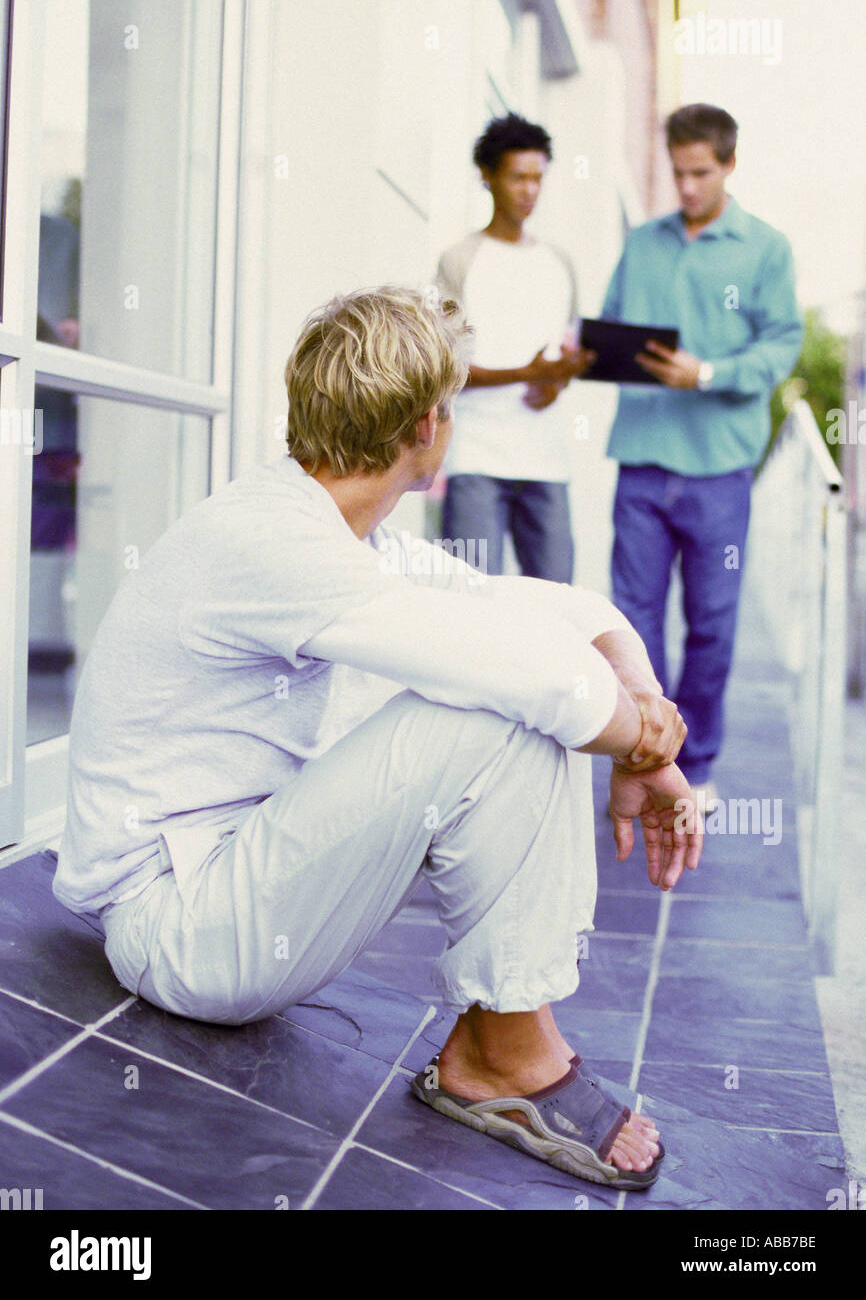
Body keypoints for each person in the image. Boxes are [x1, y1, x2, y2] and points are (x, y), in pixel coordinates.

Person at [53, 287, 701, 1190]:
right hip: (181, 929)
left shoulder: (334, 531)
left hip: (231, 882)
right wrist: (643, 744)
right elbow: (535, 674)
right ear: (431, 426)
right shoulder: (274, 543)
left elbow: (545, 611)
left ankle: (497, 1043)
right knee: (492, 702)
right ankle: (507, 1057)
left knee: (510, 680)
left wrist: (642, 709)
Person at [601, 104, 804, 809]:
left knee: (713, 623)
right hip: (641, 460)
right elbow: (612, 332)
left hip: (719, 469)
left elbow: (781, 347)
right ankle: (639, 752)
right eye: (677, 172)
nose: (686, 187)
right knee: (632, 620)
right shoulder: (643, 242)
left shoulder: (766, 248)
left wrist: (708, 373)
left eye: (700, 173)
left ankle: (701, 762)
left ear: (729, 165)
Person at [434, 113, 594, 583]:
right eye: (517, 177)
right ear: (487, 176)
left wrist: (557, 381)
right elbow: (444, 367)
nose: (529, 190)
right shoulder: (460, 260)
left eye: (538, 178)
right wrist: (528, 374)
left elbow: (565, 353)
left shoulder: (558, 262)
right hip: (475, 457)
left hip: (547, 460)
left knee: (559, 602)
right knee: (471, 601)